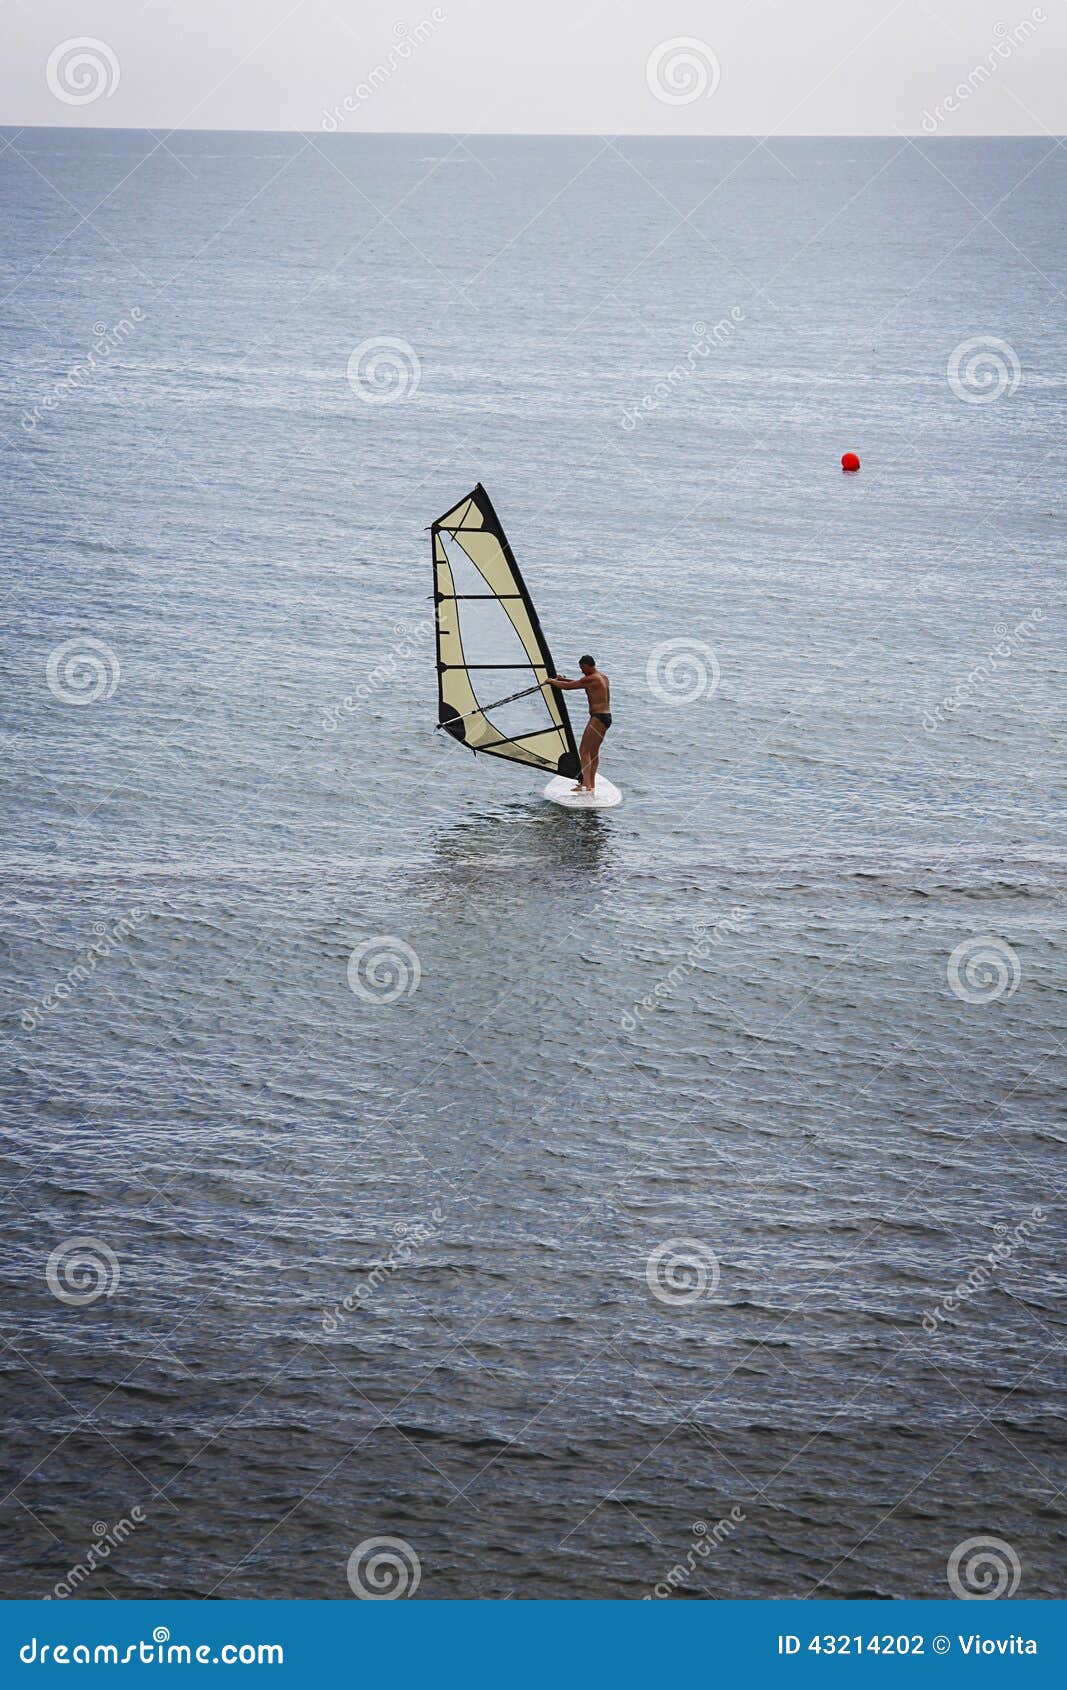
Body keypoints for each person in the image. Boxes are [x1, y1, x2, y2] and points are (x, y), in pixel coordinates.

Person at [548, 656, 611, 793]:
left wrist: (551, 681)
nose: (581, 671)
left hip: (598, 718)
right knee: (593, 752)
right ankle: (591, 785)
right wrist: (562, 679)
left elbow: (568, 687)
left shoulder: (592, 678)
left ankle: (585, 784)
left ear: (588, 665)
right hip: (606, 717)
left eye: (582, 668)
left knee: (584, 750)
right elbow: (579, 682)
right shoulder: (602, 677)